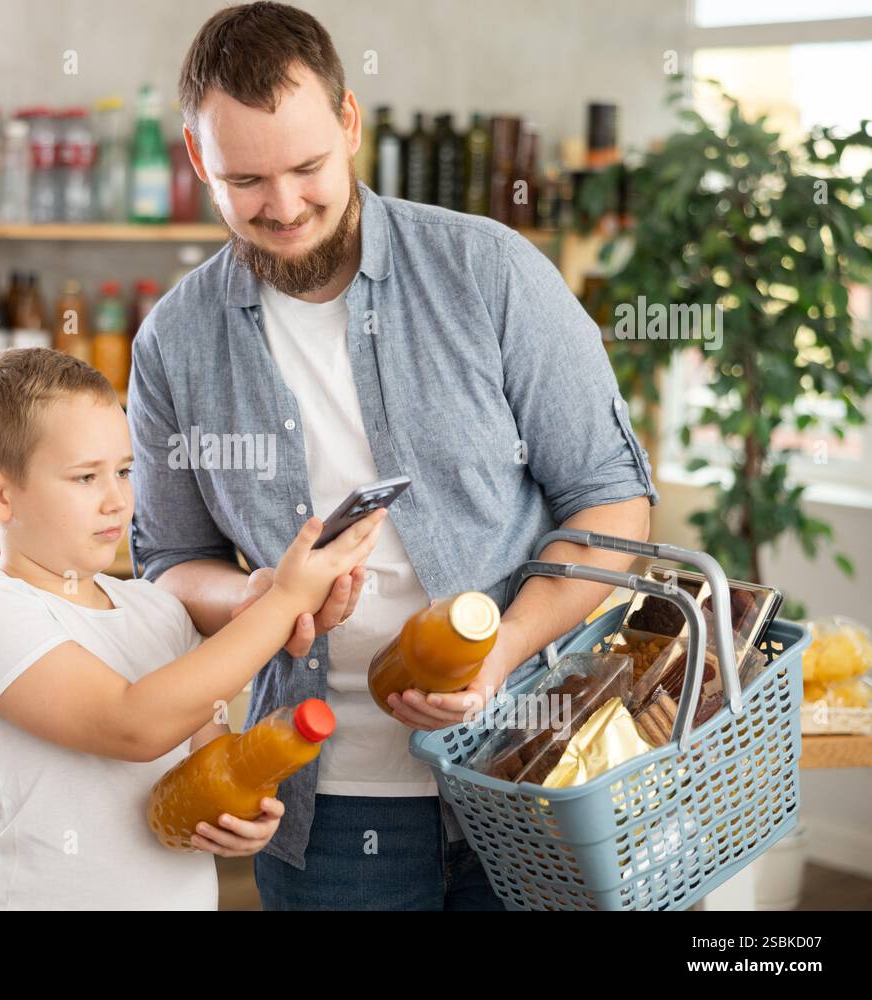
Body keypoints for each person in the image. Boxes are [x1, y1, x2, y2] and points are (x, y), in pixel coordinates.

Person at [128, 1, 657, 910]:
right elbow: (171, 565)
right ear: (195, 159)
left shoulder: (490, 272)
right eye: (246, 180)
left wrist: (506, 651)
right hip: (322, 806)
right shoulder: (173, 343)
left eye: (307, 167)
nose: (284, 207)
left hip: (532, 767)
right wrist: (252, 599)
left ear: (349, 123)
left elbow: (612, 502)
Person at [0, 347, 384, 909]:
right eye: (84, 478)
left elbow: (207, 761)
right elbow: (133, 726)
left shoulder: (158, 611)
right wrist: (285, 600)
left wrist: (243, 810)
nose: (117, 500)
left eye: (124, 472)